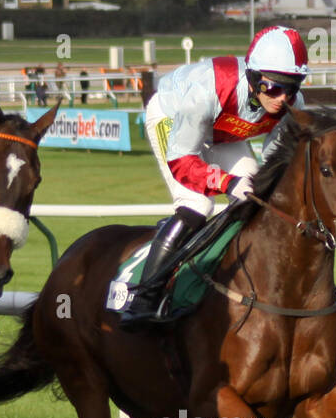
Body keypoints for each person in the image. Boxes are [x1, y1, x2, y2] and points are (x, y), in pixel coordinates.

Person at [119, 25, 308, 323]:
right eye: (273, 87)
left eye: (292, 87)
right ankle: (143, 298)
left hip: (222, 130)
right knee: (198, 205)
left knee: (254, 199)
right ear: (254, 78)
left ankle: (229, 278)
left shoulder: (292, 105)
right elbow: (183, 161)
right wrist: (225, 181)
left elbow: (277, 163)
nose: (282, 98)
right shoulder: (204, 93)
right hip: (173, 116)